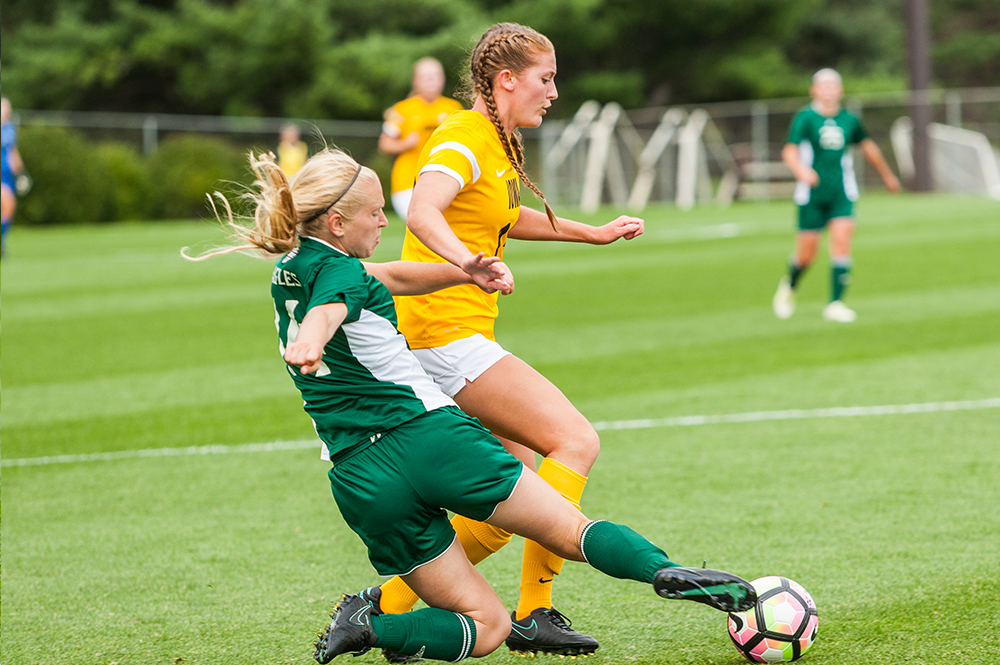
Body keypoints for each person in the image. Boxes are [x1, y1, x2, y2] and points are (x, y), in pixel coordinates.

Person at [192, 147, 756, 665]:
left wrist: (463, 268)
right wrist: (311, 342)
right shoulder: (338, 276)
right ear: (338, 223)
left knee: (484, 629)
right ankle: (664, 570)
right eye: (375, 213)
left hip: (360, 480)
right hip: (431, 441)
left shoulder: (291, 271)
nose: (385, 221)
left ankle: (369, 627)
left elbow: (387, 276)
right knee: (570, 530)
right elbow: (331, 310)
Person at [376, 23, 646, 657]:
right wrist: (468, 262)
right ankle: (534, 612)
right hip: (443, 332)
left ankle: (385, 603)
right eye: (545, 79)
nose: (554, 92)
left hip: (447, 333)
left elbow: (503, 216)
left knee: (514, 490)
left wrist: (593, 233)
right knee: (574, 440)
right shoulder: (464, 137)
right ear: (506, 81)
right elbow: (422, 210)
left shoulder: (499, 142)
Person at [772, 68, 901, 323]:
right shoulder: (805, 118)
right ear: (814, 90)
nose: (829, 90)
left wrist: (887, 175)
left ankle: (835, 303)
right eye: (823, 86)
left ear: (840, 91)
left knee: (841, 243)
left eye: (833, 86)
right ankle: (790, 286)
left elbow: (867, 146)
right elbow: (789, 150)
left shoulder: (849, 120)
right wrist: (801, 170)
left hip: (842, 192)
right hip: (811, 195)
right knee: (807, 254)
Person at [378, 57, 463, 220]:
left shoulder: (454, 109)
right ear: (416, 81)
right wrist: (404, 144)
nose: (432, 81)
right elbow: (384, 144)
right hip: (408, 182)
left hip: (444, 181)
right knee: (423, 225)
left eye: (436, 76)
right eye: (426, 77)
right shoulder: (403, 109)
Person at [1, 96, 25, 258]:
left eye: (8, 108)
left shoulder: (10, 128)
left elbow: (13, 151)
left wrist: (21, 172)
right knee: (7, 205)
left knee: (10, 210)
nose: (6, 111)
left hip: (9, 175)